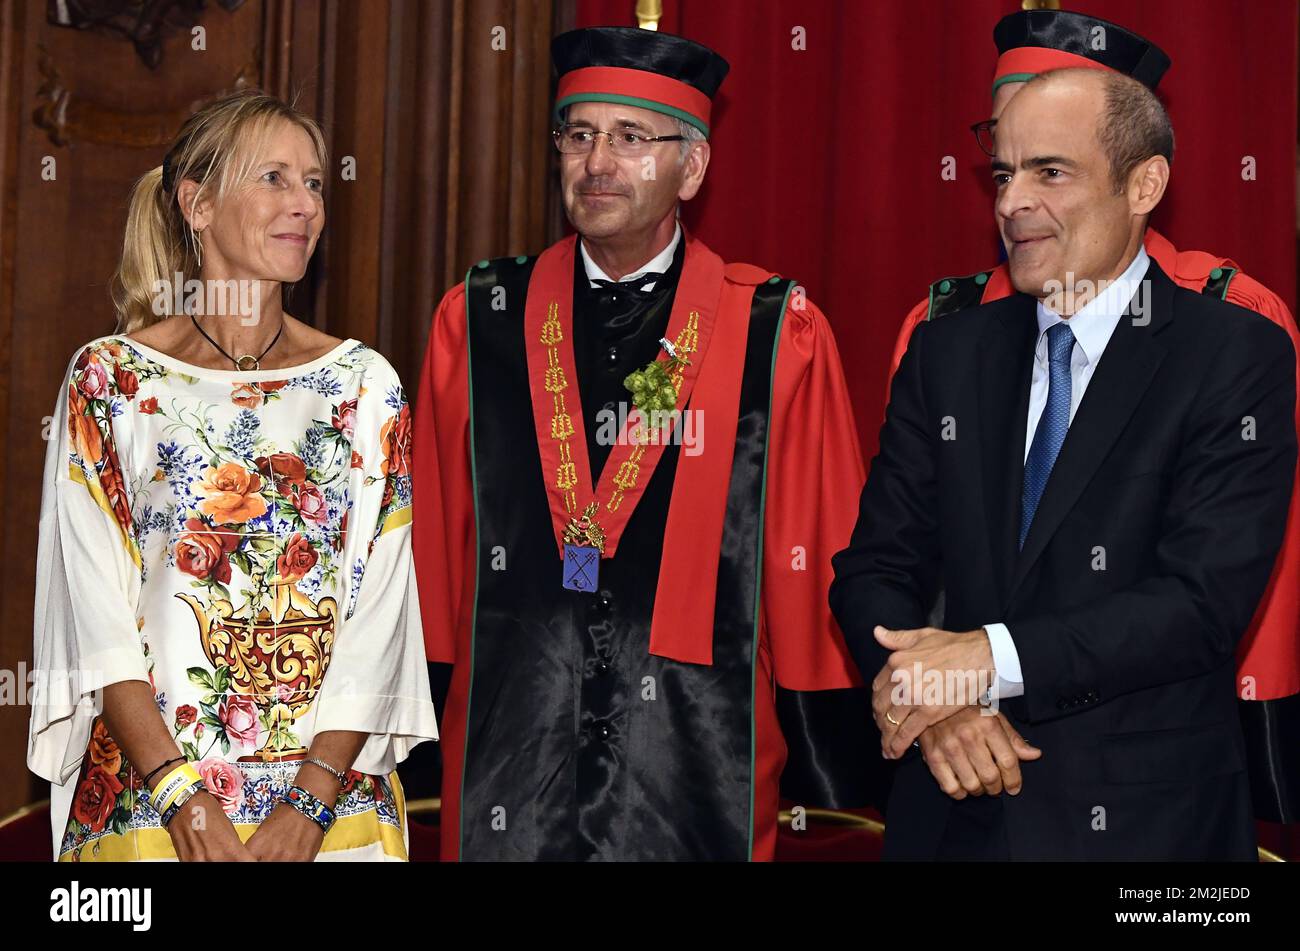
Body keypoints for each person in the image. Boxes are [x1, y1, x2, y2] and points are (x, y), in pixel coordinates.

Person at [413, 26, 865, 861]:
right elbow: (437, 549)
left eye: (630, 137)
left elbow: (817, 557)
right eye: (578, 135)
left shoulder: (773, 330)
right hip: (514, 749)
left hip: (695, 753)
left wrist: (829, 755)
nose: (597, 163)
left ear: (691, 168)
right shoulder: (480, 319)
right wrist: (423, 729)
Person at [830, 67, 1296, 860]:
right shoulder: (948, 352)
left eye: (1050, 172)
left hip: (1147, 828)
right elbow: (871, 568)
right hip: (950, 811)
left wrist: (987, 657)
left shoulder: (1234, 354)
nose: (1012, 203)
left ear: (1144, 183)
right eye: (1005, 173)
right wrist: (942, 705)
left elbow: (1199, 605)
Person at [28, 89, 438, 861]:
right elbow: (97, 620)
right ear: (198, 203)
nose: (305, 205)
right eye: (275, 178)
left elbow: (381, 614)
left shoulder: (364, 386)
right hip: (150, 807)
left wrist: (308, 807)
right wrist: (183, 795)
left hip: (331, 814)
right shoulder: (111, 381)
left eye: (315, 183)